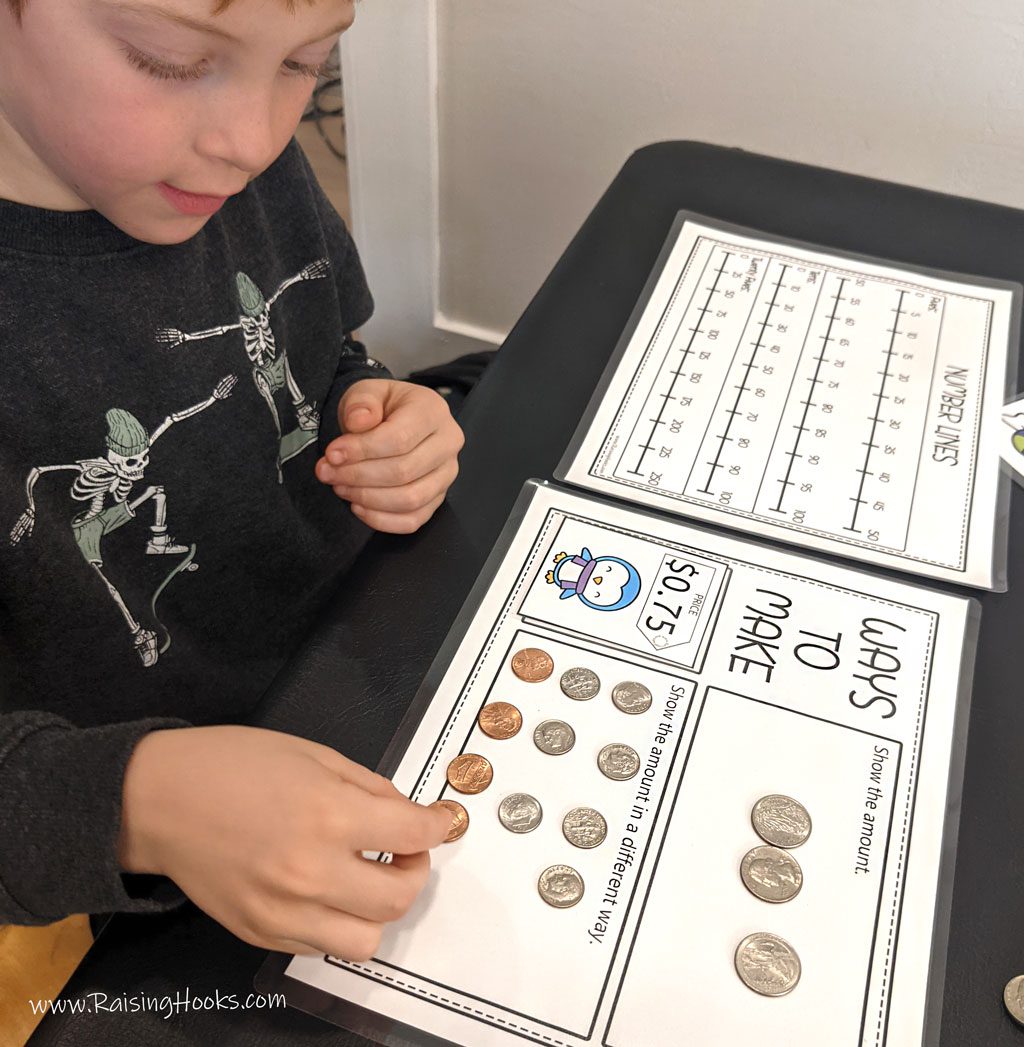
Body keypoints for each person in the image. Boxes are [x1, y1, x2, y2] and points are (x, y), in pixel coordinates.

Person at [0, 0, 464, 962]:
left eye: (308, 63)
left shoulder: (232, 171)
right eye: (168, 62)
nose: (254, 140)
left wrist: (376, 411)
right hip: (170, 829)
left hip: (365, 664)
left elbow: (322, 353)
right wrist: (137, 805)